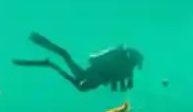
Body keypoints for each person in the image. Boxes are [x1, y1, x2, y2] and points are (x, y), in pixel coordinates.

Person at [13, 33, 143, 92]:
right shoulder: (122, 67)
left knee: (65, 57)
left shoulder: (124, 66)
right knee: (65, 57)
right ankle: (43, 51)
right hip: (97, 72)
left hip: (95, 73)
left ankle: (43, 51)